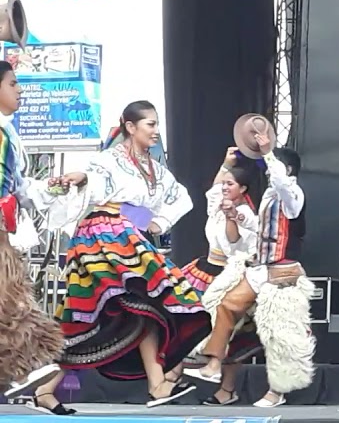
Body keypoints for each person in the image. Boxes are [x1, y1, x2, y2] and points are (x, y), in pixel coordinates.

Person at [25, 100, 204, 411]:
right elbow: (92, 177)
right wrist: (79, 178)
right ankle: (156, 384)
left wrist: (157, 222)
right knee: (131, 300)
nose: (156, 131)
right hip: (102, 236)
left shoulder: (155, 170)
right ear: (131, 127)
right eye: (150, 124)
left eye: (157, 124)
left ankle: (155, 384)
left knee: (134, 305)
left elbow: (179, 197)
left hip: (128, 237)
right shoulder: (110, 160)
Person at [190, 143, 314, 409]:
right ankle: (213, 363)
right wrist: (239, 217)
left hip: (283, 275)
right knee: (226, 305)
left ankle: (277, 392)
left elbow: (281, 181)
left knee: (279, 335)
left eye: (271, 166)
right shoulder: (271, 194)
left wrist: (268, 152)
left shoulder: (292, 193)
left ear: (286, 169)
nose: (267, 171)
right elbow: (262, 227)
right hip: (260, 269)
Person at [178, 150, 262, 405]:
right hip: (204, 268)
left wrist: (231, 215)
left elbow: (233, 241)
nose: (224, 187)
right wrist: (227, 162)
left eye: (230, 184)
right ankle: (172, 378)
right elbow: (215, 187)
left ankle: (226, 390)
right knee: (182, 320)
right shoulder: (218, 201)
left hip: (230, 275)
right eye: (225, 182)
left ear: (243, 188)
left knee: (232, 334)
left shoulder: (247, 214)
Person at [0, 60, 63, 401]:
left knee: (12, 301)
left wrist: (54, 188)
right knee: (12, 303)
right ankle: (32, 372)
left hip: (3, 230)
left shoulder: (8, 132)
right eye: (12, 83)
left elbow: (19, 187)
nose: (19, 89)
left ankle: (30, 374)